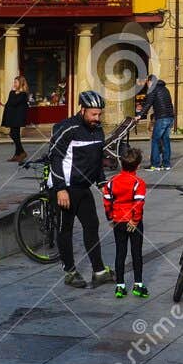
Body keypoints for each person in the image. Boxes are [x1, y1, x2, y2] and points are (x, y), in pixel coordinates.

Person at [49, 90, 117, 287]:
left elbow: (96, 161)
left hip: (83, 187)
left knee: (92, 226)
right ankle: (70, 272)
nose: (97, 118)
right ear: (83, 110)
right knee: (66, 229)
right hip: (65, 187)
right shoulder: (68, 128)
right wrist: (60, 188)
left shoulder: (98, 130)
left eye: (99, 114)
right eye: (93, 114)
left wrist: (103, 183)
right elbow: (55, 158)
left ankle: (99, 271)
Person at [102, 145, 148, 299]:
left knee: (120, 253)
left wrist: (110, 217)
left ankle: (120, 286)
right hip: (133, 221)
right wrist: (135, 221)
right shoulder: (138, 182)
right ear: (138, 165)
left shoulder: (112, 181)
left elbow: (107, 200)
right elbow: (138, 204)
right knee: (136, 253)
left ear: (121, 163)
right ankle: (138, 285)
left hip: (118, 221)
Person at [139, 73, 175, 171]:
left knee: (155, 140)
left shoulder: (153, 89)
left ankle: (155, 165)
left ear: (150, 81)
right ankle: (166, 164)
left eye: (147, 82)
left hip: (162, 118)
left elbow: (148, 104)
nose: (147, 85)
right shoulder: (165, 89)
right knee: (165, 140)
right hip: (170, 117)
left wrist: (139, 115)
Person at [0, 74, 30, 161]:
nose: (14, 84)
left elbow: (14, 102)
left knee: (14, 134)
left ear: (20, 83)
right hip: (11, 116)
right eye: (14, 82)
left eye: (16, 82)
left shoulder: (23, 94)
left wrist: (13, 93)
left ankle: (20, 153)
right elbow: (9, 102)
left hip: (17, 117)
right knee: (13, 134)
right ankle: (19, 154)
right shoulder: (12, 92)